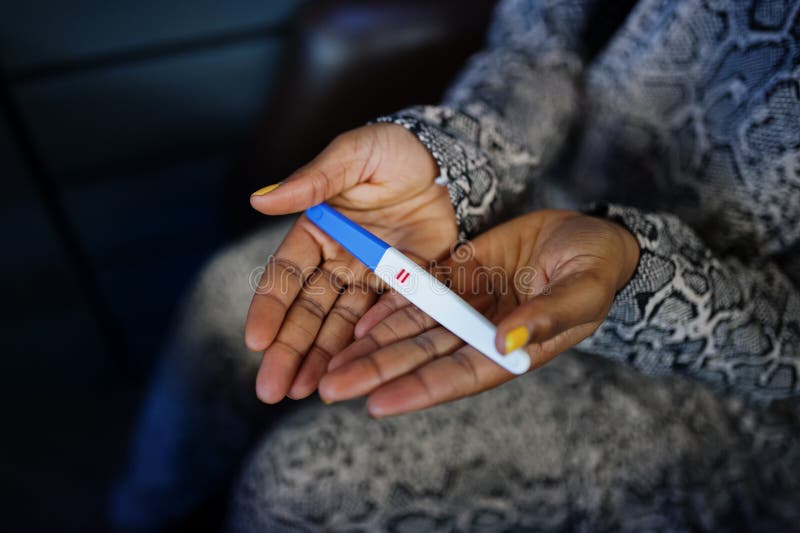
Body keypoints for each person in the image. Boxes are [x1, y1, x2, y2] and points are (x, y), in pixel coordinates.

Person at [113, 0, 800, 530]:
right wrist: (451, 163)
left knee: (302, 482)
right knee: (224, 297)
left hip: (732, 373)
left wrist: (629, 268)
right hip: (519, 227)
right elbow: (531, 54)